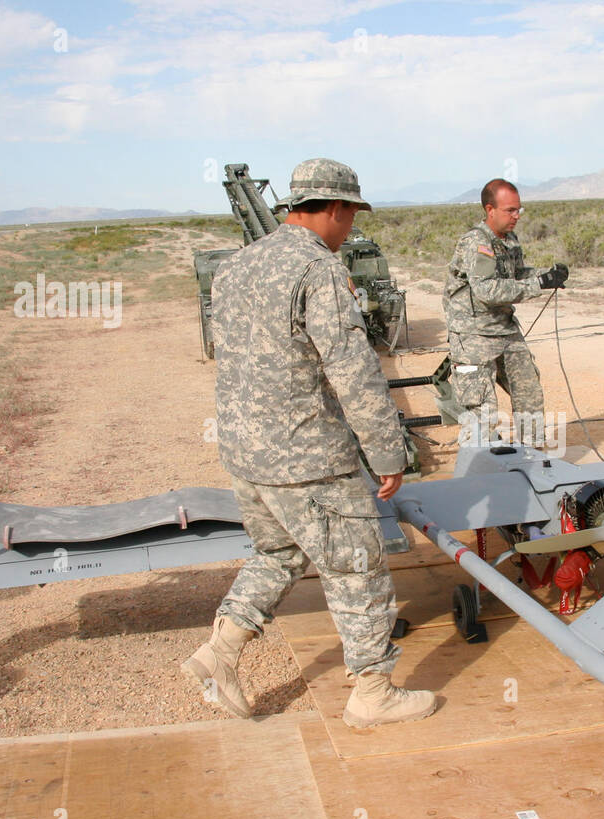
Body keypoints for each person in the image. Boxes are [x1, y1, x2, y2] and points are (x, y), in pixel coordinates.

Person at [181, 158, 436, 729]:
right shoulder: (318, 271)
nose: (348, 230)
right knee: (358, 567)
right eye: (350, 217)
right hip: (308, 458)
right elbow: (354, 371)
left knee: (280, 553)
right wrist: (387, 452)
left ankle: (219, 653)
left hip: (245, 452)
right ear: (339, 209)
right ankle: (373, 692)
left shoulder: (236, 265)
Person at [442, 178, 568, 445]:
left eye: (518, 210)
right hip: (474, 335)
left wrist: (548, 276)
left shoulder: (509, 239)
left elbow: (517, 274)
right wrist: (539, 284)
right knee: (481, 413)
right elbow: (487, 291)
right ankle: (480, 474)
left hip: (504, 329)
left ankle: (532, 459)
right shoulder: (477, 243)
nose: (516, 216)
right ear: (490, 210)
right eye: (510, 210)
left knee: (529, 394)